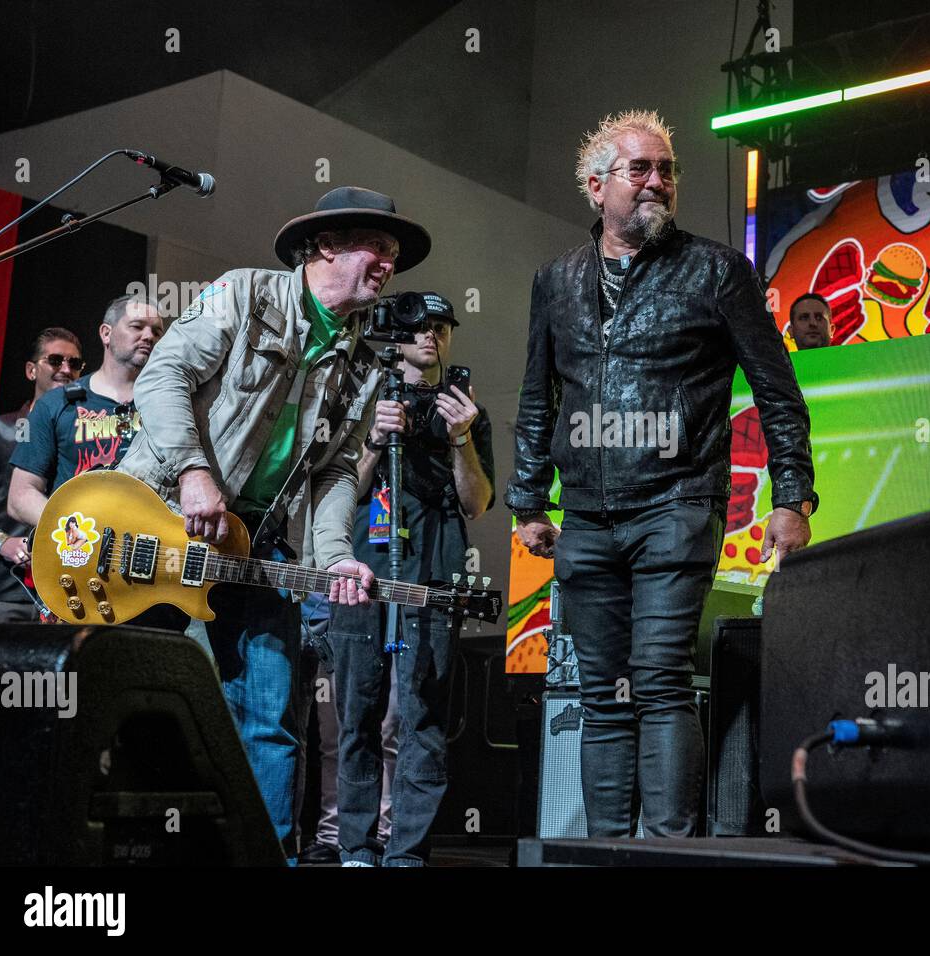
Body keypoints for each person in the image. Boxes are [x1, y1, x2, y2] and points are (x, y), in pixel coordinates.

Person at [506, 110, 818, 838]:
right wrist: (527, 501)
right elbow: (535, 397)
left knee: (657, 678)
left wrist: (792, 495)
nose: (657, 183)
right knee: (600, 694)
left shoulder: (716, 270)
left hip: (676, 507)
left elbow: (778, 393)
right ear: (595, 186)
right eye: (640, 169)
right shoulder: (555, 281)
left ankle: (669, 851)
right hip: (583, 515)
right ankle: (606, 851)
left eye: (667, 170)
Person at [114, 186, 430, 862]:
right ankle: (123, 856)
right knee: (130, 700)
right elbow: (162, 376)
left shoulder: (368, 363)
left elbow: (336, 473)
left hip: (253, 542)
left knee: (269, 718)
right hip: (154, 516)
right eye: (377, 247)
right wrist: (196, 472)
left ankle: (264, 859)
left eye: (395, 255)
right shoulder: (244, 293)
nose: (388, 265)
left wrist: (337, 555)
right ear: (324, 245)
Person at [329, 291, 494, 866]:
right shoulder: (360, 395)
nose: (431, 336)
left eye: (442, 327)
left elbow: (477, 503)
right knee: (358, 713)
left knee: (423, 714)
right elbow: (337, 491)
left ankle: (407, 852)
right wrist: (375, 438)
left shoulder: (465, 408)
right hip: (362, 567)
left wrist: (461, 438)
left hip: (436, 566)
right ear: (395, 331)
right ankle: (354, 848)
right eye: (419, 326)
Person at [7, 296, 163, 527]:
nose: (149, 336)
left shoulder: (168, 407)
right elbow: (20, 496)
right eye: (137, 326)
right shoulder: (54, 403)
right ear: (106, 333)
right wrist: (76, 532)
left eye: (157, 332)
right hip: (78, 550)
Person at [0, 327, 84, 622]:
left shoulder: (87, 435)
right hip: (5, 589)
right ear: (31, 370)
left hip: (72, 594)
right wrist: (1, 541)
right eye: (56, 360)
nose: (65, 370)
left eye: (74, 364)